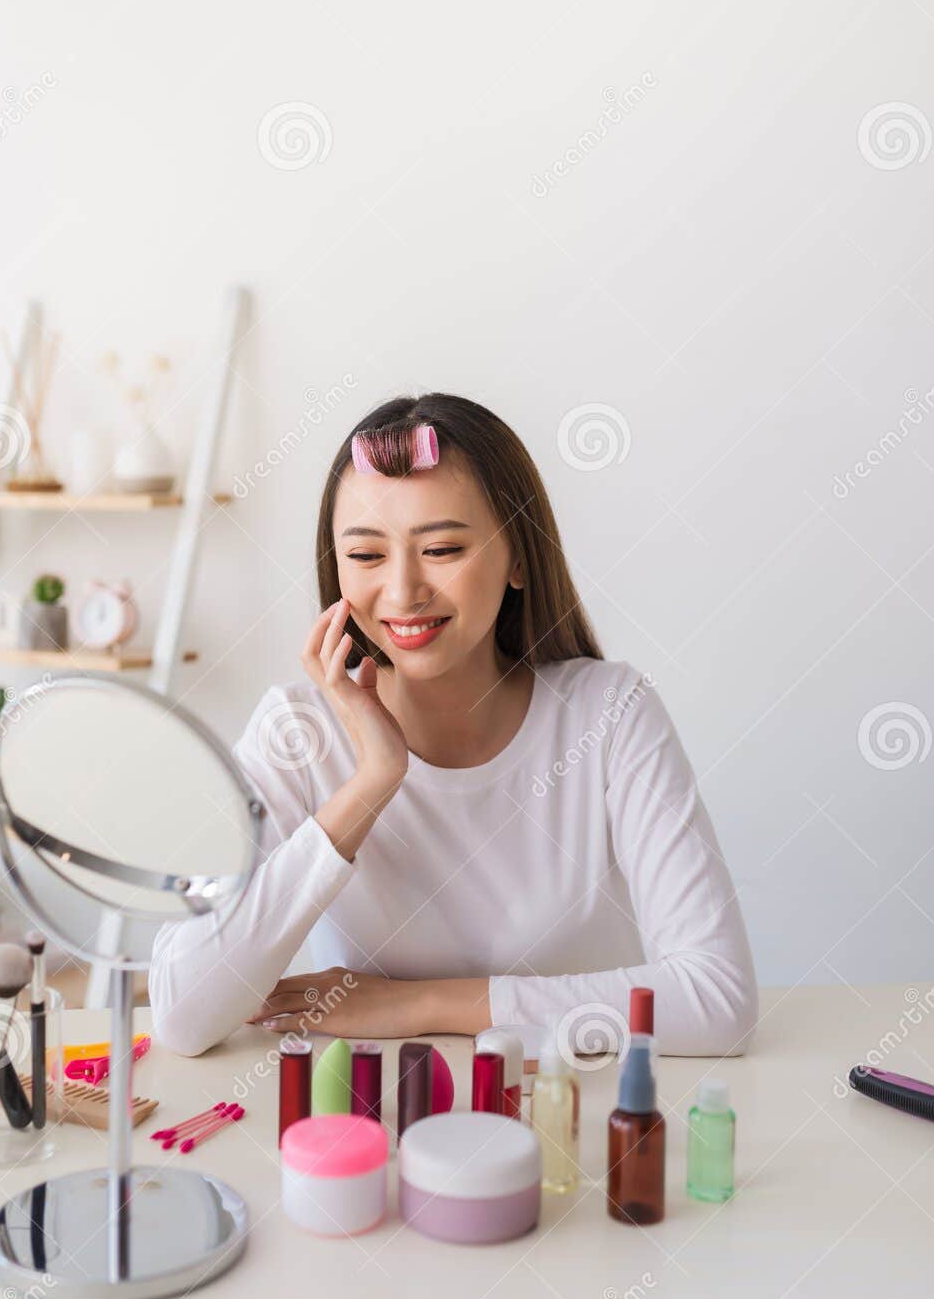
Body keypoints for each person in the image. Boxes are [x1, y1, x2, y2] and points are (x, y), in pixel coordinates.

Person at [150, 393, 758, 1059]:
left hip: (575, 1113)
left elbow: (719, 999)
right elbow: (184, 1016)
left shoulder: (610, 714)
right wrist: (372, 784)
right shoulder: (299, 732)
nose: (404, 590)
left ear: (519, 557)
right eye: (367, 555)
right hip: (381, 1117)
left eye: (441, 548)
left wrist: (425, 1002)